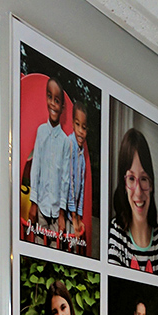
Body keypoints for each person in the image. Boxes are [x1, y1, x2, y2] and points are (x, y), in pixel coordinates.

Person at [108, 128, 158, 276]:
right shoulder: (117, 233)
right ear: (124, 184)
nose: (138, 191)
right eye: (131, 179)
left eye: (144, 179)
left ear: (152, 183)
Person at [27, 77, 71, 248]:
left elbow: (65, 179)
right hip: (41, 207)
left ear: (62, 107)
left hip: (56, 210)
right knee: (38, 248)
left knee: (55, 254)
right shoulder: (41, 132)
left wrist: (61, 214)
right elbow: (36, 167)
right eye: (50, 97)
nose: (53, 103)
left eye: (57, 100)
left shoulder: (65, 142)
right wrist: (33, 203)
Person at [67, 100, 88, 254]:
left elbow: (80, 187)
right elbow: (69, 183)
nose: (81, 131)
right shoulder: (69, 145)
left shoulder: (82, 155)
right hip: (65, 210)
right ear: (72, 125)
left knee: (73, 247)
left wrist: (79, 216)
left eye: (84, 127)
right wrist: (74, 216)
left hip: (73, 213)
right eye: (78, 125)